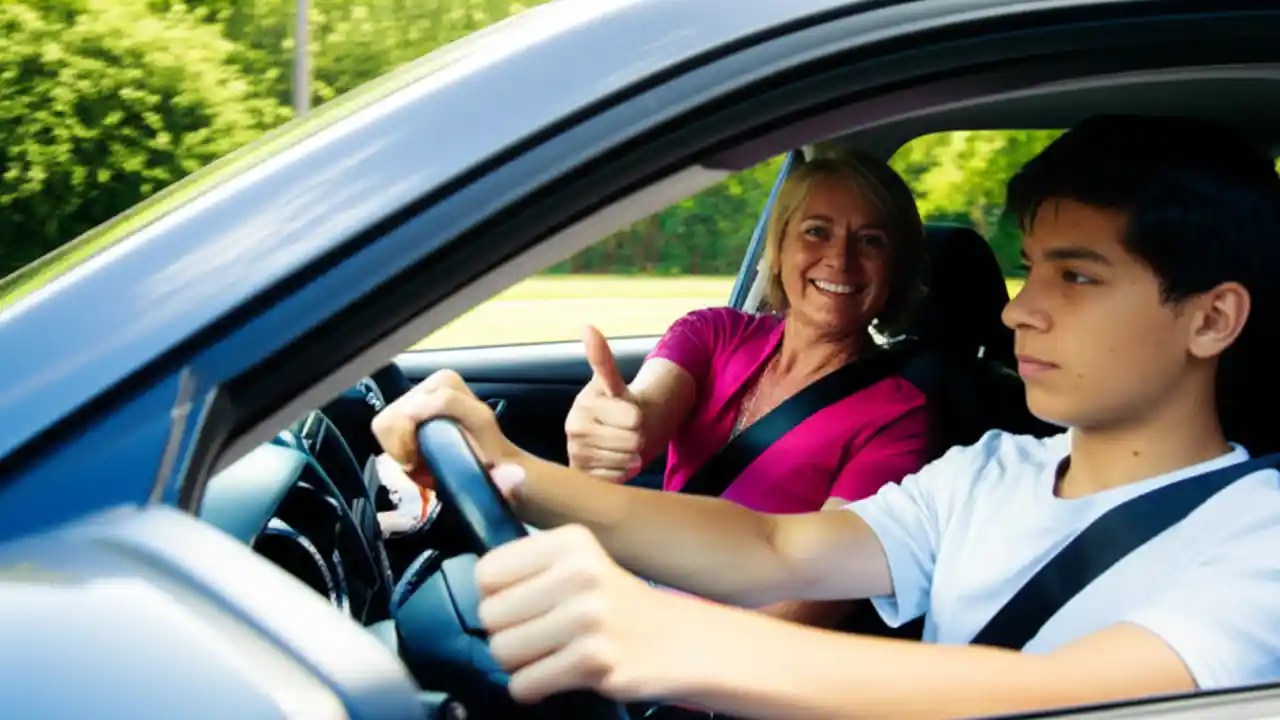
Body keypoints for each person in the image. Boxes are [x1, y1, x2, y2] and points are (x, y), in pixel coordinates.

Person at [371, 114, 1280, 718]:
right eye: (1030, 269)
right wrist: (512, 473)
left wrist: (673, 638)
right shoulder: (991, 471)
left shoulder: (1259, 535)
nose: (1017, 311)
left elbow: (1054, 693)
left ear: (1212, 318)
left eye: (1075, 277)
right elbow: (774, 549)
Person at [566, 152, 932, 512]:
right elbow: (648, 410)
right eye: (816, 232)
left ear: (895, 268)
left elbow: (827, 559)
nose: (840, 258)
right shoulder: (713, 333)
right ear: (779, 249)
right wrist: (612, 428)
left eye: (871, 240)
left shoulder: (899, 416)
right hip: (648, 569)